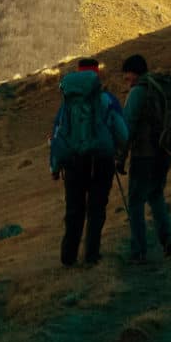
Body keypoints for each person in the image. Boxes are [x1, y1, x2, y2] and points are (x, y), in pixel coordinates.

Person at [48, 57, 129, 267]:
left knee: (74, 210)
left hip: (74, 163)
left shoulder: (66, 105)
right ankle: (91, 256)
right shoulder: (107, 100)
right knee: (96, 209)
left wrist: (55, 167)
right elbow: (122, 133)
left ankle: (68, 257)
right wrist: (119, 154)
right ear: (97, 75)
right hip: (102, 161)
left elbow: (58, 136)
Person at [119, 53, 171, 262]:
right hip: (164, 152)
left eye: (127, 77)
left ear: (133, 73)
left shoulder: (137, 92)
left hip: (144, 155)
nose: (127, 82)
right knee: (156, 195)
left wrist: (120, 157)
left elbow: (127, 127)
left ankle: (139, 251)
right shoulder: (161, 89)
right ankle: (167, 239)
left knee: (135, 201)